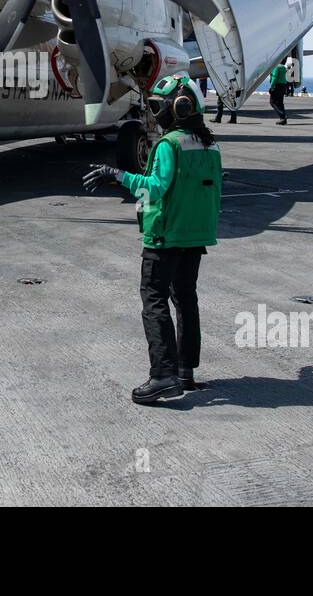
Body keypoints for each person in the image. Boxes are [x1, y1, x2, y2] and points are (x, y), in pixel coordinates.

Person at [83, 76, 222, 403]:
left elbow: (155, 188)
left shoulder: (169, 144)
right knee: (186, 299)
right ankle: (186, 371)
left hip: (165, 234)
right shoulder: (209, 143)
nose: (157, 114)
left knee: (154, 299)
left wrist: (116, 175)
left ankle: (162, 375)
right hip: (195, 235)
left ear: (180, 106)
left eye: (160, 107)